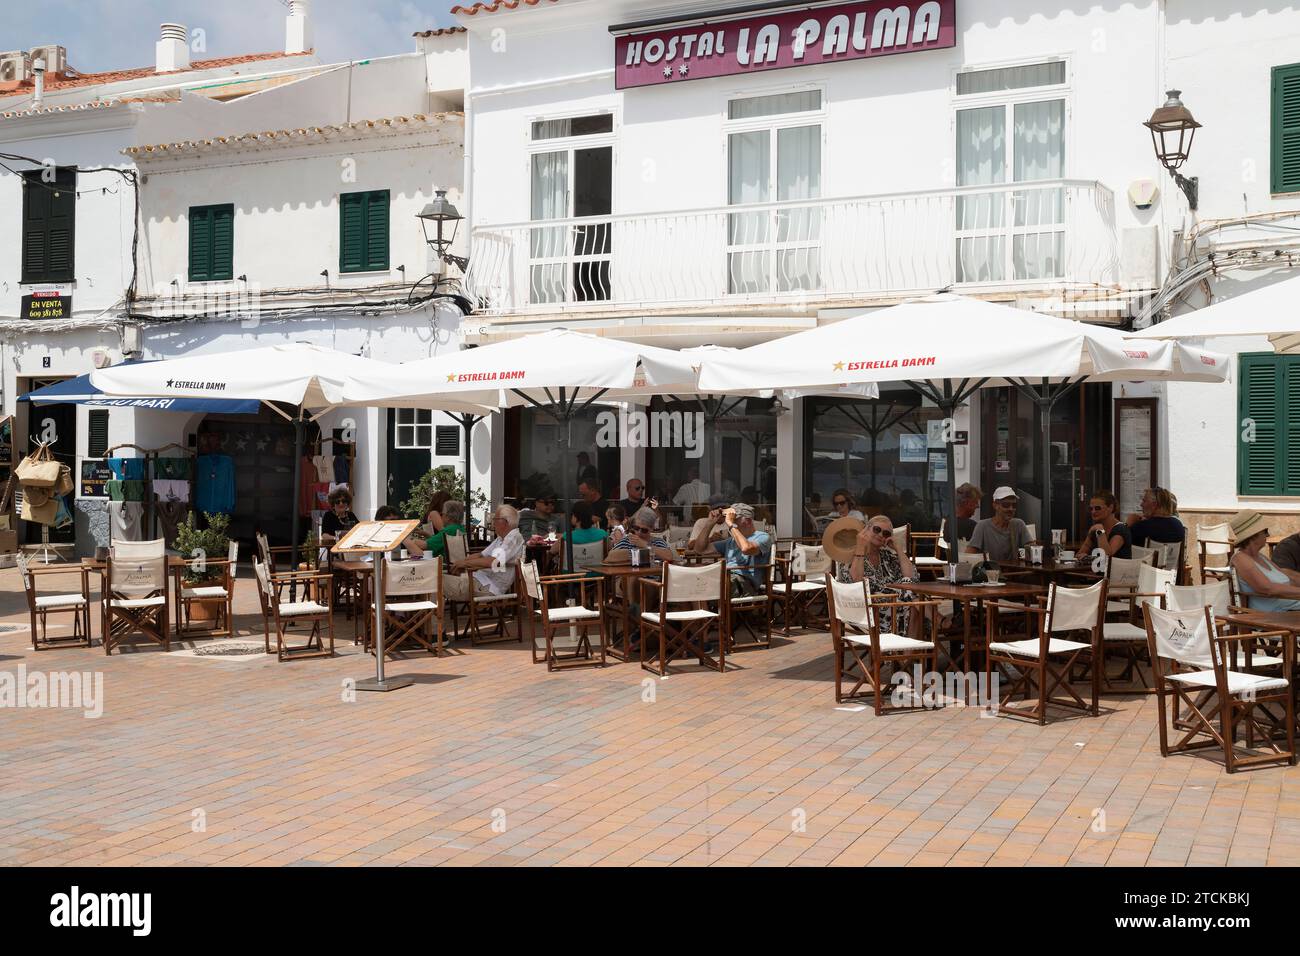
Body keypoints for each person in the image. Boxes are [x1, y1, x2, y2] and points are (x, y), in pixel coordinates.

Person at [837, 514, 920, 636]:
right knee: (917, 604)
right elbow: (856, 583)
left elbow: (912, 578)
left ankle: (908, 653)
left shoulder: (888, 557)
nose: (881, 535)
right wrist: (860, 546)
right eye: (877, 530)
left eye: (886, 533)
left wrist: (898, 549)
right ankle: (940, 622)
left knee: (913, 604)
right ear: (866, 530)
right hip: (866, 610)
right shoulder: (851, 557)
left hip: (894, 606)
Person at [692, 502, 772, 597]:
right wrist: (710, 523)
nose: (732, 522)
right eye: (731, 519)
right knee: (692, 581)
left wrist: (730, 524)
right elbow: (699, 549)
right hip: (727, 579)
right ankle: (704, 611)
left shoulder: (762, 537)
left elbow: (746, 549)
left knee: (703, 585)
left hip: (745, 583)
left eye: (735, 519)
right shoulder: (730, 541)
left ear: (748, 521)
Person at [1230, 510, 1300, 611]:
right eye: (1265, 531)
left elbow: (1289, 578)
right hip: (1274, 614)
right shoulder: (1241, 558)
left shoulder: (1261, 557)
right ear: (1253, 536)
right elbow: (1267, 589)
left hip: (1289, 606)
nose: (1268, 535)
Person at [450, 504, 525, 595]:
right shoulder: (500, 538)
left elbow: (493, 561)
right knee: (439, 579)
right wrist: (458, 563)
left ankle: (432, 608)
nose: (493, 523)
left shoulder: (514, 538)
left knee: (438, 581)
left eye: (495, 519)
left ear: (504, 522)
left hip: (489, 586)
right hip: (480, 579)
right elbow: (481, 555)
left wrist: (464, 564)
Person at [966, 487, 1031, 562]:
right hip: (990, 571)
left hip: (1014, 572)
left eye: (1014, 505)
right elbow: (969, 556)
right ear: (995, 505)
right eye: (1006, 505)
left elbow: (1032, 549)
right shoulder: (983, 526)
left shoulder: (1018, 524)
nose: (1011, 509)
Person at [551, 500, 609, 571]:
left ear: (575, 517)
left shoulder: (568, 536)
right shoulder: (603, 534)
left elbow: (552, 551)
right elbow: (609, 550)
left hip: (571, 578)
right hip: (598, 576)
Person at [606, 506, 675, 565]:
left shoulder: (659, 542)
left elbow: (669, 557)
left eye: (644, 530)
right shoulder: (628, 541)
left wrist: (646, 545)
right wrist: (637, 554)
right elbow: (610, 557)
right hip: (634, 577)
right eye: (636, 528)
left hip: (654, 579)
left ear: (651, 529)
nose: (639, 532)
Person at [1083, 490, 1132, 559]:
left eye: (1097, 508)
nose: (1093, 512)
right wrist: (1085, 557)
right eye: (1091, 509)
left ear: (1110, 508)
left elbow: (1107, 555)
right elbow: (1080, 554)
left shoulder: (1121, 529)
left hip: (1116, 569)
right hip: (1099, 569)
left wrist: (1100, 531)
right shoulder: (1096, 528)